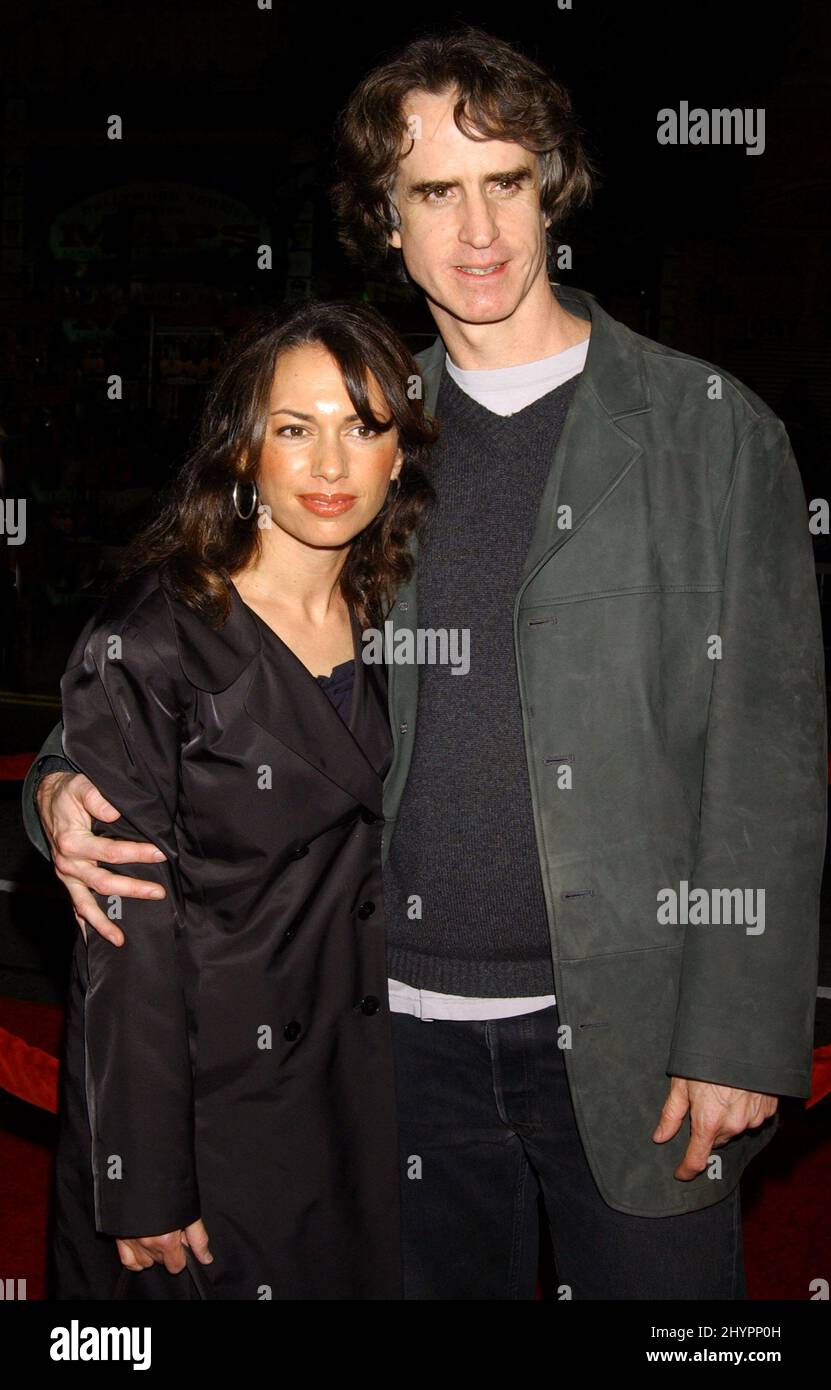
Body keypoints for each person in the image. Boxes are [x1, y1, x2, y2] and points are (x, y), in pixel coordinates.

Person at [25, 26, 826, 1300]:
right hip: (383, 1046)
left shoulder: (711, 434)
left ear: (552, 186)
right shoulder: (355, 430)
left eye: (505, 179)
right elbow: (201, 633)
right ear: (384, 223)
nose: (478, 228)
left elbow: (772, 763)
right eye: (433, 191)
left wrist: (738, 1031)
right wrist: (63, 780)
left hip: (634, 1040)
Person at [40, 299, 436, 1299]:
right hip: (211, 1101)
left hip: (360, 1090)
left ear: (401, 455)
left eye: (363, 427)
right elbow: (123, 932)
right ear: (242, 450)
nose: (330, 465)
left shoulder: (401, 613)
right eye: (295, 428)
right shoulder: (156, 638)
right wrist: (142, 1179)